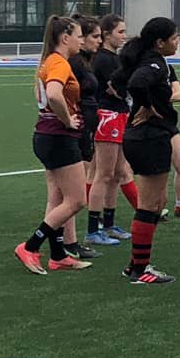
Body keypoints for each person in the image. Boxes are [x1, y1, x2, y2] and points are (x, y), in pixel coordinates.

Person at [15, 14, 94, 275]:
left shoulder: (49, 61)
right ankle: (31, 245)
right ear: (65, 38)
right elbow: (53, 94)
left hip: (47, 136)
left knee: (60, 197)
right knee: (76, 200)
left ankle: (58, 255)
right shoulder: (60, 63)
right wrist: (67, 120)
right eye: (79, 36)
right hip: (58, 138)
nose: (81, 41)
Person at [117, 16, 180, 285]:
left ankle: (136, 263)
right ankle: (139, 269)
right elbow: (134, 84)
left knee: (158, 203)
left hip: (144, 136)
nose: (178, 41)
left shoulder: (145, 58)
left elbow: (116, 81)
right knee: (149, 205)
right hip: (148, 137)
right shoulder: (154, 63)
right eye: (174, 37)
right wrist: (145, 106)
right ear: (160, 42)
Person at [88, 13, 143, 243]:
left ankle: (109, 223)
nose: (124, 36)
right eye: (120, 32)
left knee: (117, 173)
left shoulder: (115, 58)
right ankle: (93, 228)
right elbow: (116, 89)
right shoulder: (103, 59)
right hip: (108, 115)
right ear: (107, 34)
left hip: (119, 114)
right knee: (104, 173)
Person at [68, 15, 105, 254]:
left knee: (70, 193)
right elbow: (56, 93)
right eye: (92, 36)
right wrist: (69, 118)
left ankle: (67, 242)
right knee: (70, 194)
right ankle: (64, 243)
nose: (97, 41)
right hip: (75, 130)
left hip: (85, 129)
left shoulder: (86, 62)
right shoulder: (72, 63)